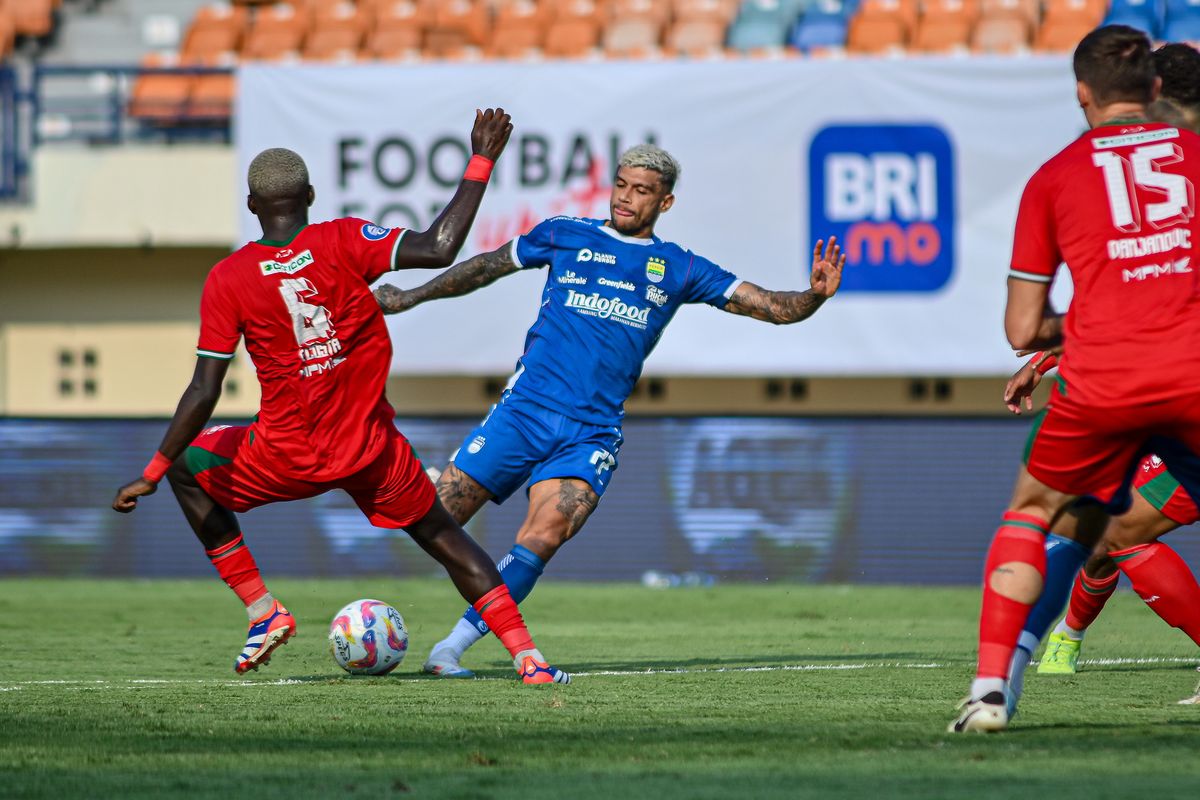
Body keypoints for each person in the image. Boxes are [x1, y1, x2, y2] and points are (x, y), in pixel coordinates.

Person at [111, 109, 570, 685]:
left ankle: (262, 610)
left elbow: (205, 388)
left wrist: (152, 470)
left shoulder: (228, 278)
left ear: (252, 206)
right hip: (369, 449)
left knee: (185, 468)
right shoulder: (343, 239)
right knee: (443, 538)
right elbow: (438, 247)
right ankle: (528, 658)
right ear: (309, 194)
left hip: (282, 454)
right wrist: (481, 159)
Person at [374, 143, 844, 678]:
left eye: (642, 191)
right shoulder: (565, 233)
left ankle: (450, 649)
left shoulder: (679, 267)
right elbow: (484, 268)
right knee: (431, 519)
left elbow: (770, 307)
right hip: (523, 413)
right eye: (621, 184)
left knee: (546, 534)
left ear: (665, 203)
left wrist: (813, 297)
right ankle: (422, 486)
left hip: (588, 433)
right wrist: (411, 296)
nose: (626, 197)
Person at [949, 25, 1200, 733]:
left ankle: (992, 688)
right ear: (1154, 91)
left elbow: (1023, 328)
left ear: (1082, 95)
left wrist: (1093, 323)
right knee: (1112, 529)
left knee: (1042, 514)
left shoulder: (1054, 176)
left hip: (1105, 380)